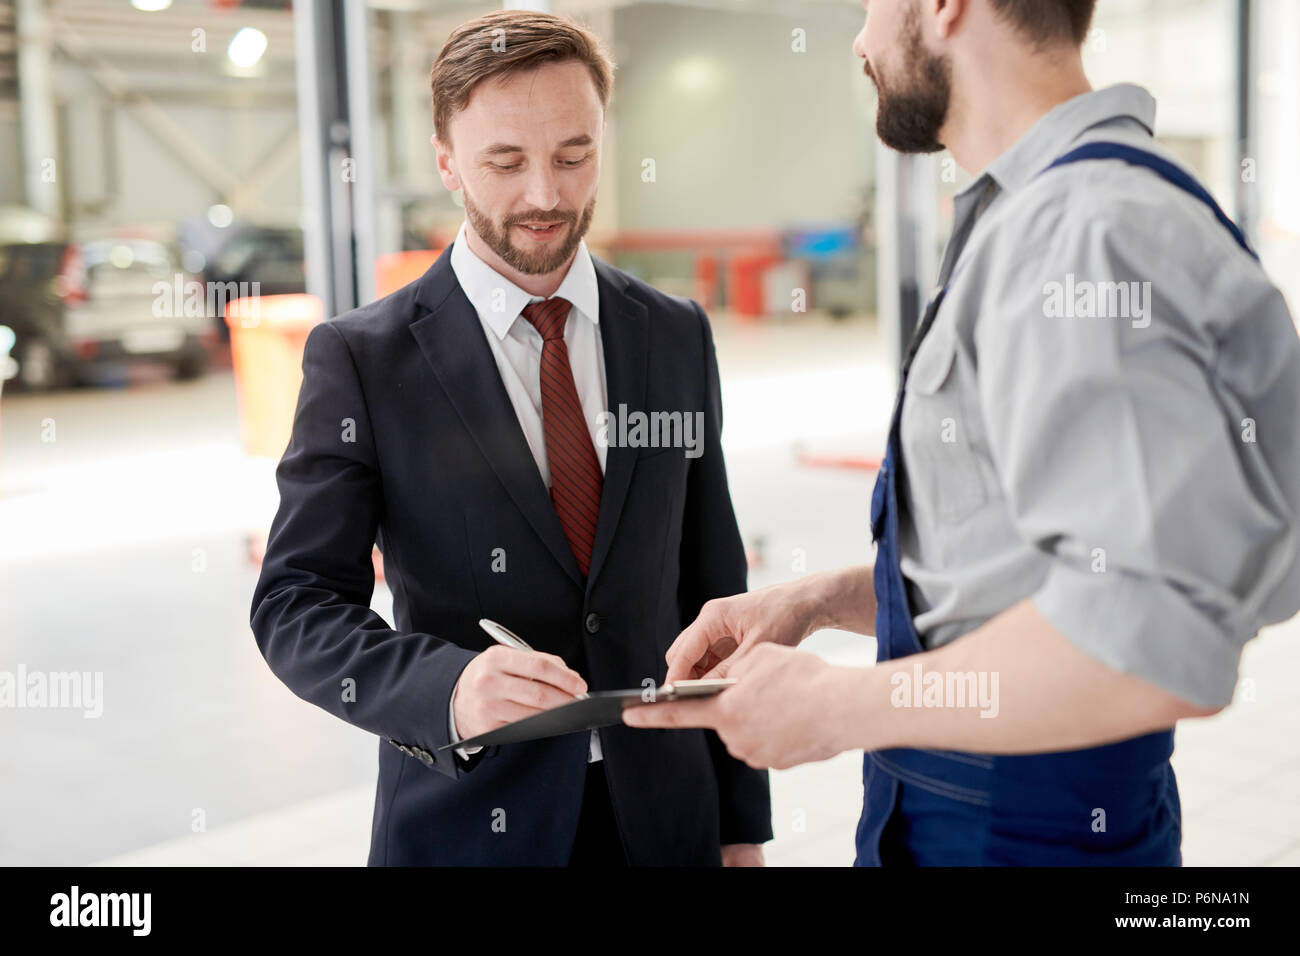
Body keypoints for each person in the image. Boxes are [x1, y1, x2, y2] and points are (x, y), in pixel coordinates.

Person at [625, 0, 1300, 865]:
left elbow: (1153, 641)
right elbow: (1034, 569)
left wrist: (835, 708)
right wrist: (818, 601)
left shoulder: (1081, 235)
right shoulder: (1039, 217)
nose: (861, 41)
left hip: (1020, 835)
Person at [250, 9, 771, 866]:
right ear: (446, 160)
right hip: (472, 822)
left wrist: (740, 822)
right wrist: (445, 688)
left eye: (574, 155)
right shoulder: (363, 361)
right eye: (505, 162)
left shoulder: (673, 334)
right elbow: (295, 606)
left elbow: (714, 585)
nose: (546, 195)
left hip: (666, 819)